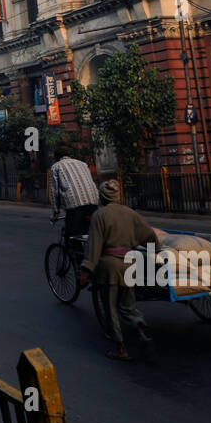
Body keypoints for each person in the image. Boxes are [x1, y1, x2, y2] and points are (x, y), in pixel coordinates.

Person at [79, 180, 157, 361]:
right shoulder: (130, 213)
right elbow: (150, 236)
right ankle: (142, 333)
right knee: (129, 307)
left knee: (111, 309)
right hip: (130, 265)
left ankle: (121, 349)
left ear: (102, 197)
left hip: (109, 268)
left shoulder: (100, 215)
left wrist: (86, 270)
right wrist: (156, 254)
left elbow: (93, 246)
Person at [48, 146, 99, 239]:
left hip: (75, 205)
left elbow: (54, 191)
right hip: (93, 202)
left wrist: (55, 213)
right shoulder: (83, 164)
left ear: (56, 157)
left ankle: (75, 252)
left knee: (72, 237)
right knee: (91, 235)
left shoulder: (56, 166)